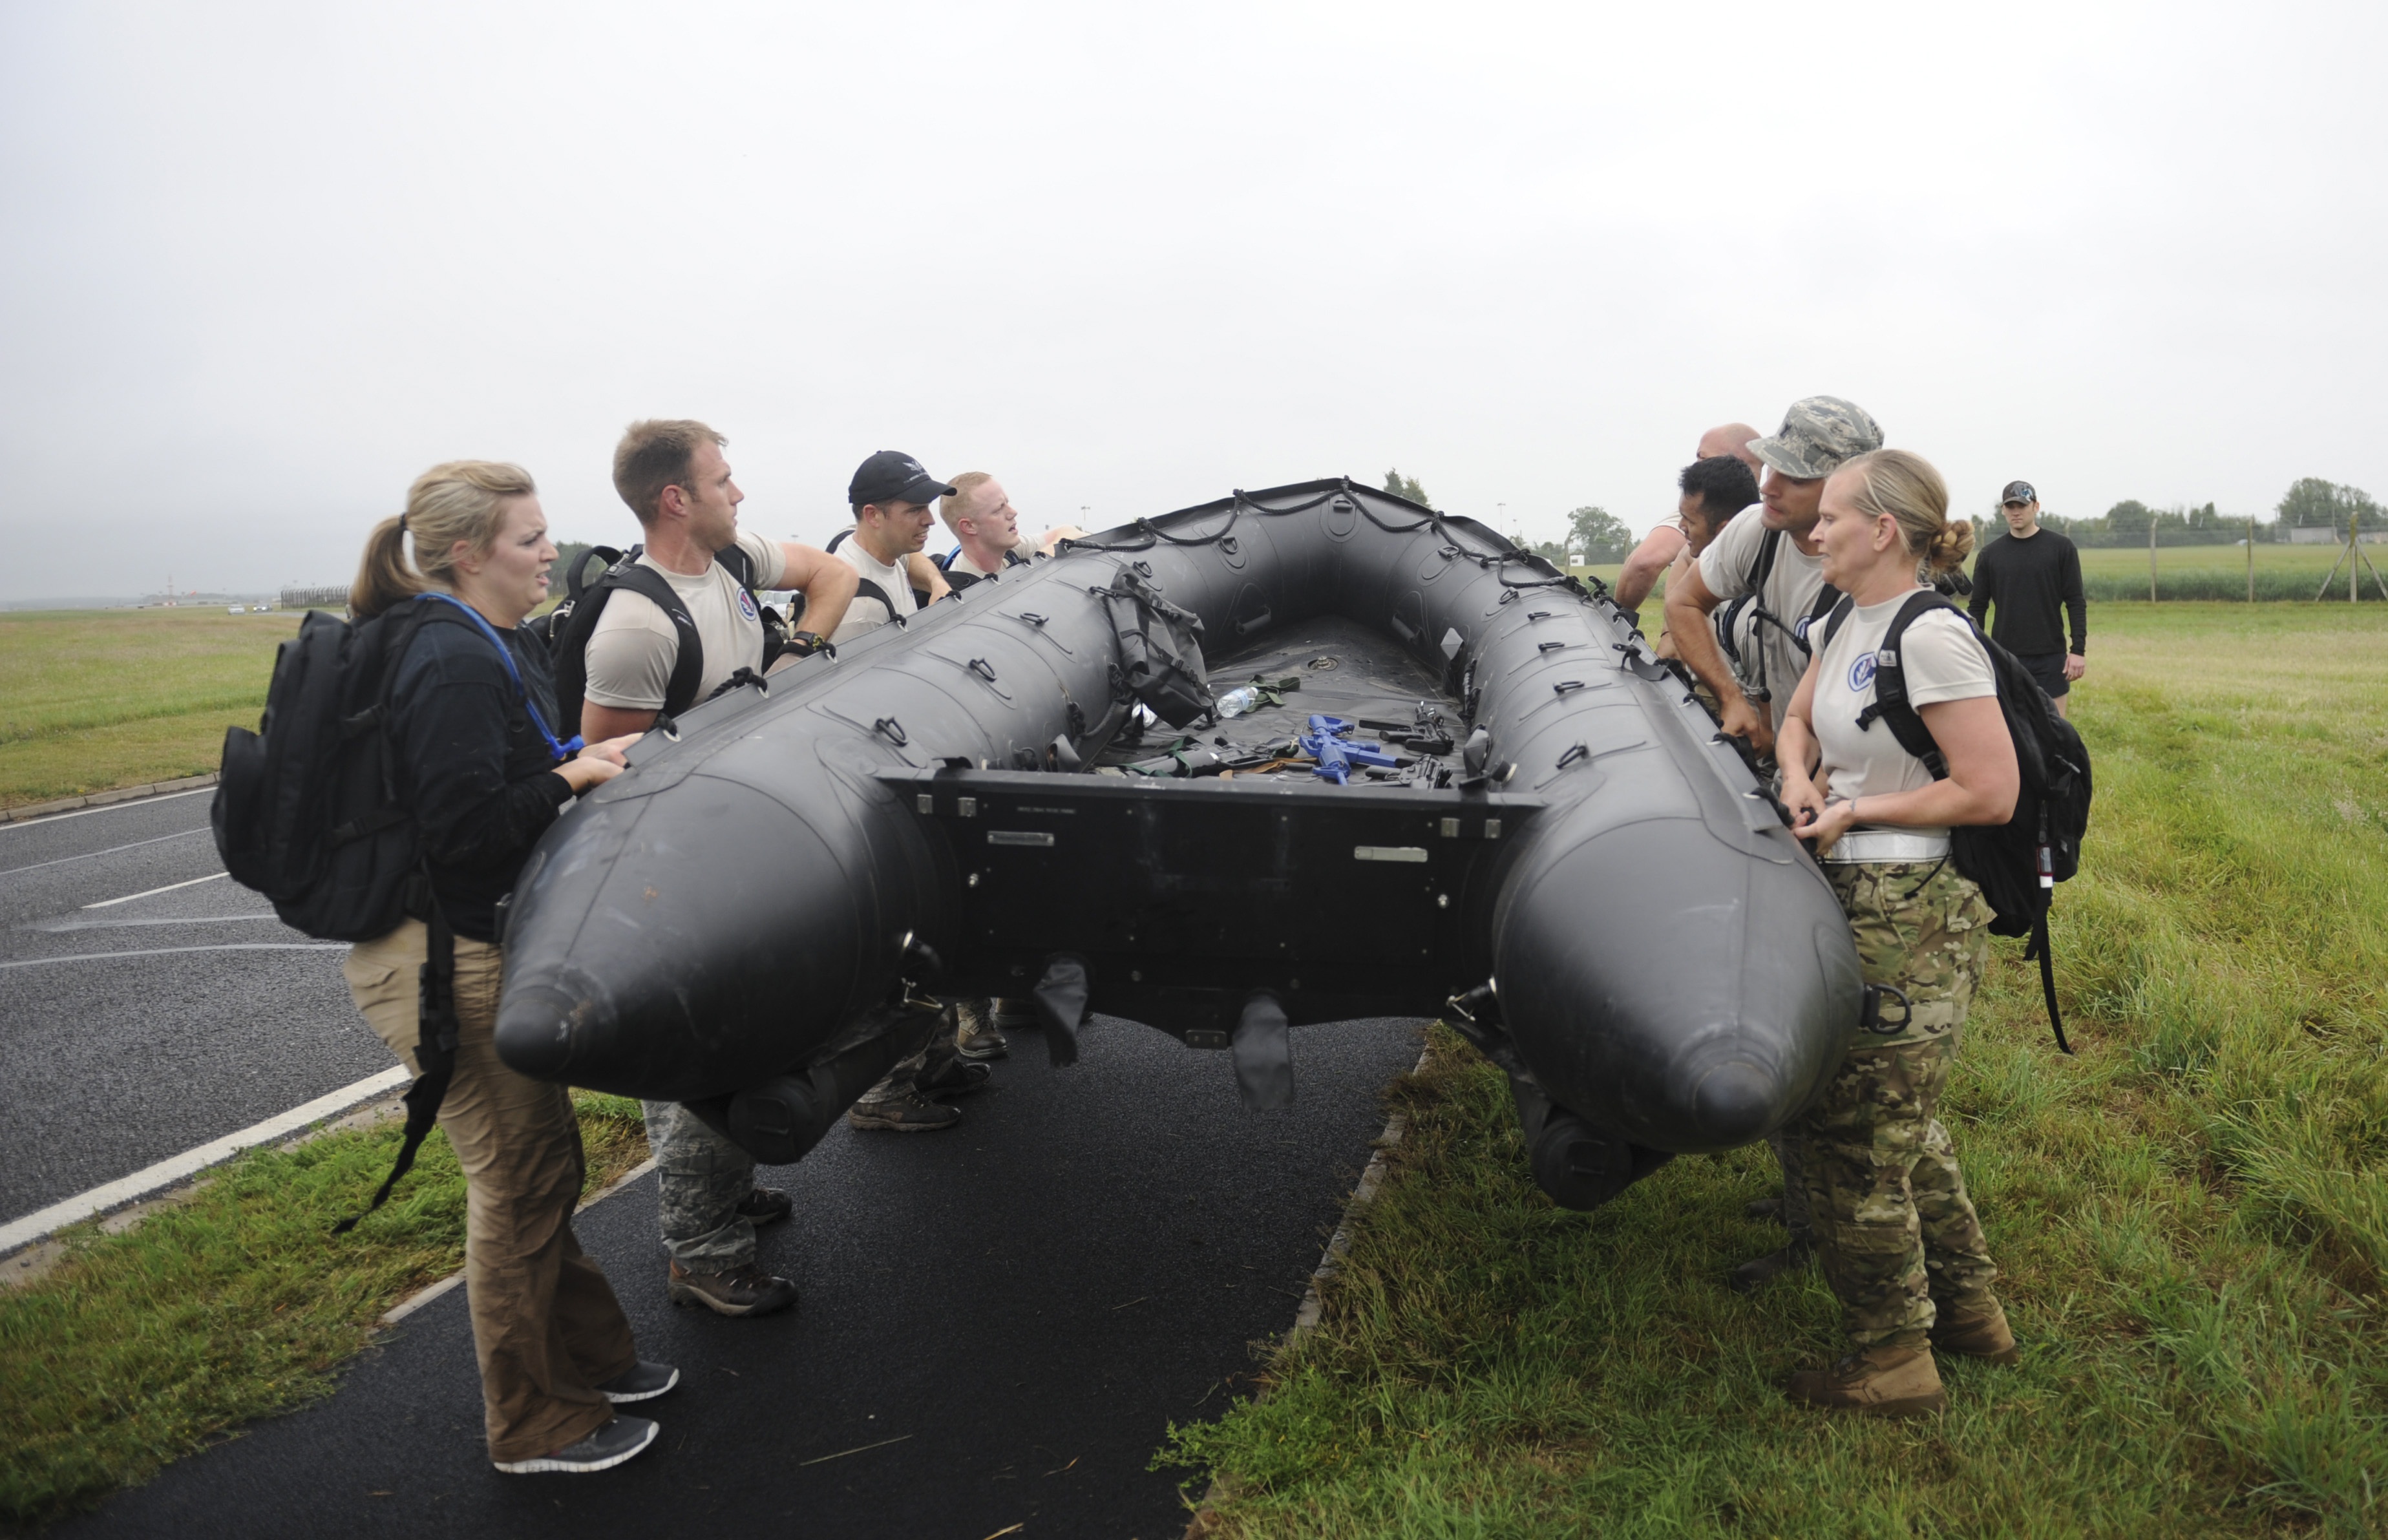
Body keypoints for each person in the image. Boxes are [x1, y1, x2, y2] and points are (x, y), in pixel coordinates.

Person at [343, 460, 670, 1473]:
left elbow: (501, 773)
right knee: (520, 1178)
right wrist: (576, 771)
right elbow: (465, 830)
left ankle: (590, 1357)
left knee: (541, 1166)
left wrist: (588, 755)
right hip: (443, 961)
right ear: (465, 552)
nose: (547, 554)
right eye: (529, 539)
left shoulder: (479, 640)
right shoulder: (445, 656)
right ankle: (532, 1421)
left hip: (467, 947)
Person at [580, 419, 862, 1320]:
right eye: (723, 480)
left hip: (739, 839)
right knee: (697, 1065)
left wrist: (795, 660)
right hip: (670, 865)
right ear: (677, 499)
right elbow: (604, 767)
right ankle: (702, 1253)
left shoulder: (732, 558)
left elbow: (833, 575)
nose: (737, 494)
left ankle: (726, 1194)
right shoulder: (634, 623)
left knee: (753, 1036)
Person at [1772, 448, 2021, 1416]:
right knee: (1900, 1129)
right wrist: (1800, 779)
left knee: (1848, 1144)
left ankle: (1892, 1363)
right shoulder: (1840, 617)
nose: (1812, 530)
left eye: (1829, 515)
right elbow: (1798, 718)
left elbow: (1987, 790)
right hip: (1849, 895)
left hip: (1906, 912)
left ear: (1883, 529)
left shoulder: (1931, 636)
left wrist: (1853, 816)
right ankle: (1966, 1316)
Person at [1664, 397, 1886, 761]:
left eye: (1795, 477)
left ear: (1847, 489)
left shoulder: (1880, 580)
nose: (1768, 488)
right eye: (1772, 468)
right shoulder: (1757, 530)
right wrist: (1731, 699)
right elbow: (1683, 602)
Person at [1614, 423, 1765, 617]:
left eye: (1703, 458)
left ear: (1733, 464)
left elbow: (1645, 563)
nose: (1695, 466)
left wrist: (1615, 620)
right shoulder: (1774, 511)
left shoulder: (1699, 509)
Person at [1968, 480, 2086, 718]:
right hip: (2005, 657)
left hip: (2051, 656)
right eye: (2010, 506)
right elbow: (1977, 608)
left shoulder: (2061, 548)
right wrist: (1976, 652)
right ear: (2003, 510)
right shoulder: (1990, 555)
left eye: (2022, 505)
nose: (2016, 511)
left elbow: (2075, 601)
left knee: (2055, 729)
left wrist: (2078, 650)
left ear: (2036, 506)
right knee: (2013, 730)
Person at [826, 450, 955, 645]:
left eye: (927, 507)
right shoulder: (861, 611)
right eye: (915, 510)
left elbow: (911, 559)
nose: (930, 520)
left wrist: (936, 582)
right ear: (873, 516)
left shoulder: (878, 548)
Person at [1652, 454, 1760, 665]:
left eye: (1690, 521)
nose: (1681, 526)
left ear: (1725, 530)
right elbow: (1685, 557)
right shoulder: (1714, 557)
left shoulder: (1753, 623)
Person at [938, 472, 1033, 589]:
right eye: (999, 509)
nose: (1013, 513)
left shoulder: (1010, 550)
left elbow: (1061, 533)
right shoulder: (965, 594)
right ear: (969, 527)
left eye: (1007, 503)